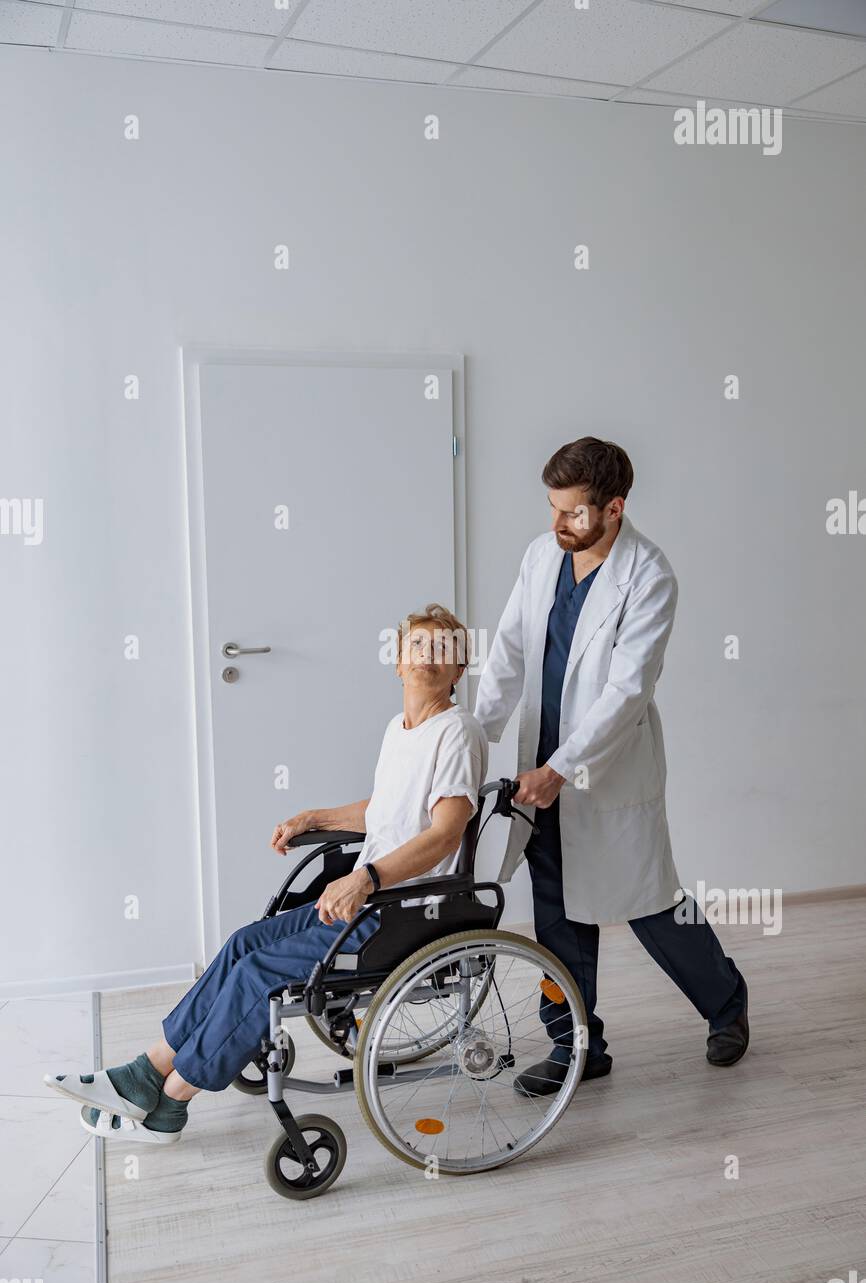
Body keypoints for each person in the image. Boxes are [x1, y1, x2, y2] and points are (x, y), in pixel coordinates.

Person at [44, 603, 488, 1142]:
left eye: (444, 650)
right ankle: (148, 1070)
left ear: (459, 670)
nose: (428, 657)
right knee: (242, 944)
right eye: (418, 646)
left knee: (261, 974)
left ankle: (171, 1103)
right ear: (397, 662)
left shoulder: (458, 732)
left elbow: (444, 833)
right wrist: (315, 817)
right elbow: (386, 809)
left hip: (402, 909)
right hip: (369, 899)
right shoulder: (400, 729)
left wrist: (365, 877)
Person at [474, 437, 748, 1097]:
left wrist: (564, 768)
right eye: (552, 508)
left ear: (615, 508)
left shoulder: (649, 577)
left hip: (606, 767)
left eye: (572, 513)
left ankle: (727, 1004)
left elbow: (628, 693)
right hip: (539, 761)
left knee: (652, 907)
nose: (557, 524)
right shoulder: (543, 556)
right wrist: (475, 734)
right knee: (556, 912)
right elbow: (510, 650)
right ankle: (577, 1047)